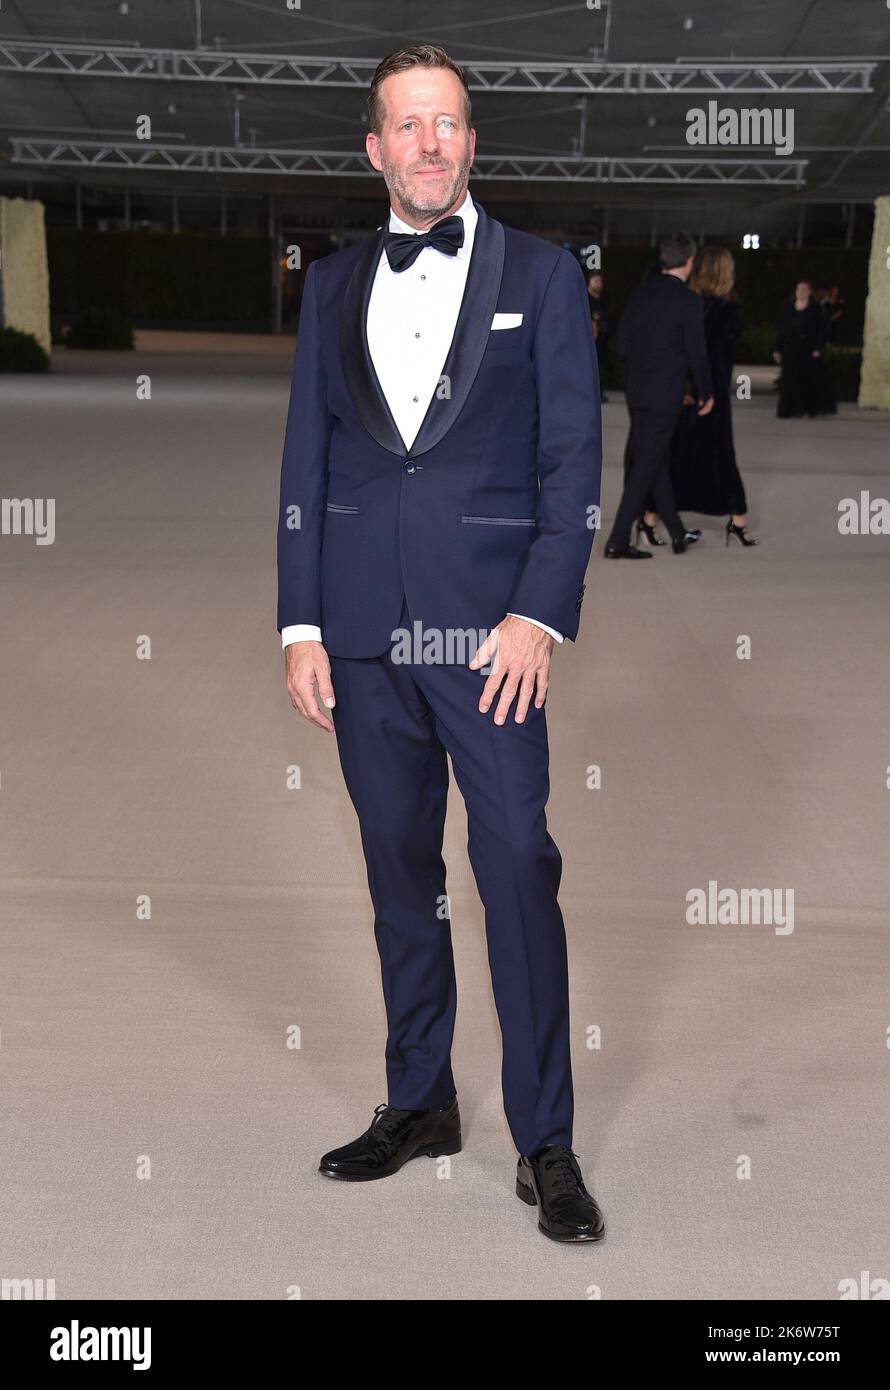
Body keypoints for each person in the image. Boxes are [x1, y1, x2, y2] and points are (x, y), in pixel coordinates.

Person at [277, 44, 605, 1243]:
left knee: (514, 864)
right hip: (362, 639)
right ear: (373, 147)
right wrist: (301, 622)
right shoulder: (329, 284)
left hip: (490, 638)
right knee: (396, 877)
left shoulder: (542, 274)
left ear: (472, 142)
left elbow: (573, 459)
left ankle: (546, 1140)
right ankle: (419, 1100)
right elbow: (306, 465)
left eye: (448, 124)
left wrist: (539, 609)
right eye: (407, 125)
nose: (429, 143)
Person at [603, 232, 713, 559]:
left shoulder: (640, 294)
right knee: (646, 466)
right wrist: (706, 391)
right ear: (690, 261)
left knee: (654, 461)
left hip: (637, 392)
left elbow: (622, 346)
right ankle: (617, 540)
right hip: (666, 396)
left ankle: (677, 533)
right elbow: (697, 353)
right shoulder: (689, 301)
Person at [668, 246, 758, 547]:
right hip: (712, 390)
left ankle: (652, 516)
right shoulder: (728, 309)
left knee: (674, 452)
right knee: (721, 453)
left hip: (687, 388)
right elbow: (716, 355)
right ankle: (738, 520)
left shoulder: (688, 303)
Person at [774, 280, 837, 418]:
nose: (801, 292)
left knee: (806, 380)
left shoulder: (815, 309)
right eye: (799, 289)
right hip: (790, 349)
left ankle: (806, 408)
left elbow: (821, 330)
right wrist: (777, 349)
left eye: (804, 289)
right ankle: (788, 410)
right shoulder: (788, 308)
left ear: (809, 292)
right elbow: (782, 330)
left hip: (807, 350)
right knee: (789, 380)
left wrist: (817, 348)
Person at [587, 270, 608, 403]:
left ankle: (598, 392)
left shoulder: (602, 299)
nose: (599, 284)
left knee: (599, 366)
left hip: (600, 339)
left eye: (600, 281)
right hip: (588, 340)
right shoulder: (585, 299)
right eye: (596, 281)